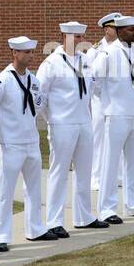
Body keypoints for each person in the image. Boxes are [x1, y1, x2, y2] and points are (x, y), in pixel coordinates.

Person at [38, 21, 107, 237]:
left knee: (84, 171)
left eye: (81, 37)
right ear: (64, 37)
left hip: (84, 122)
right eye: (75, 37)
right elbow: (40, 97)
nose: (79, 41)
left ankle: (84, 216)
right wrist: (53, 120)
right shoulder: (51, 63)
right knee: (59, 172)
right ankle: (54, 221)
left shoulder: (86, 61)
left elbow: (94, 87)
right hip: (62, 124)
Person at [0, 36, 50, 250]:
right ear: (15, 53)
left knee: (34, 188)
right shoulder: (2, 81)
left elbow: (39, 104)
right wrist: (5, 128)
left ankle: (35, 228)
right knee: (6, 190)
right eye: (27, 53)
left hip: (31, 141)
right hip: (11, 143)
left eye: (32, 52)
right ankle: (0, 235)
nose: (31, 56)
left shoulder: (33, 80)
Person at [91, 15, 134, 223]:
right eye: (131, 29)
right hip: (116, 114)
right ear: (119, 31)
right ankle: (107, 209)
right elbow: (95, 83)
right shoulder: (107, 54)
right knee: (110, 162)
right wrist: (109, 103)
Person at [87, 12, 124, 191]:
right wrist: (100, 93)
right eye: (114, 27)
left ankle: (117, 176)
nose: (117, 30)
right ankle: (95, 178)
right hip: (100, 102)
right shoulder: (95, 49)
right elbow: (88, 75)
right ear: (106, 29)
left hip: (117, 101)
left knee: (118, 137)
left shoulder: (123, 48)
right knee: (98, 138)